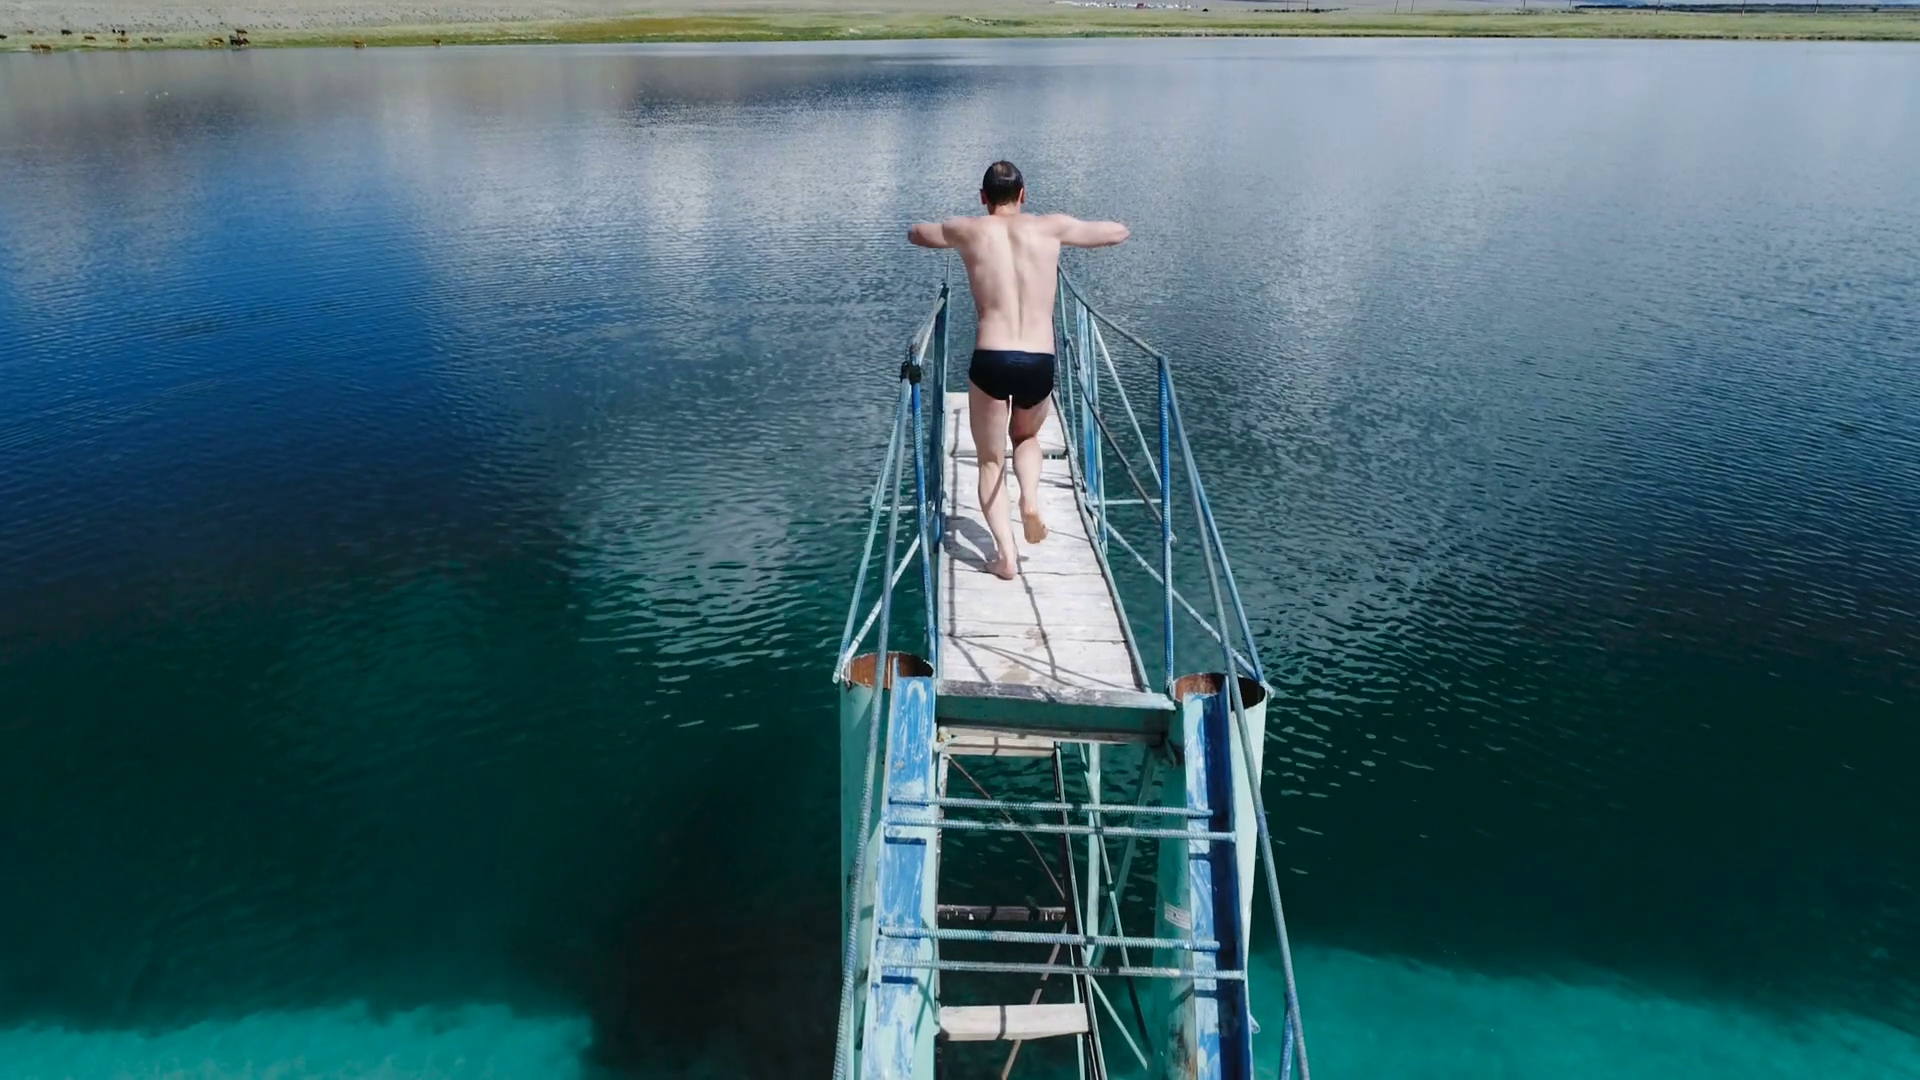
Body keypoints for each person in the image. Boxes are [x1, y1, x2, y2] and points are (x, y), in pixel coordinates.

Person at [908, 161, 1129, 580]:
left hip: (990, 358)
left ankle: (1005, 557)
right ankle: (1029, 500)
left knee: (990, 461)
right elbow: (1116, 233)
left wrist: (946, 227)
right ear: (1024, 195)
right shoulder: (1050, 227)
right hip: (1038, 360)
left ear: (983, 197)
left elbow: (917, 233)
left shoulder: (968, 228)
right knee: (1026, 437)